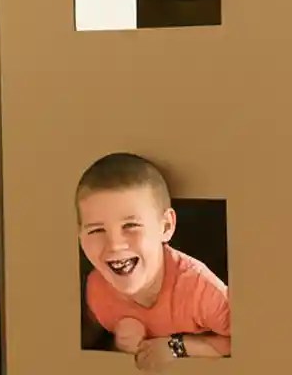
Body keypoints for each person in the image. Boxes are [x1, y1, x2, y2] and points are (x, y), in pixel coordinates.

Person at [76, 153, 231, 371]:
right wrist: (120, 344)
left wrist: (176, 347)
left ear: (166, 227)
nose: (115, 245)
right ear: (80, 236)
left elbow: (245, 341)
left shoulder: (201, 290)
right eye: (97, 230)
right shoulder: (96, 289)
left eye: (131, 226)